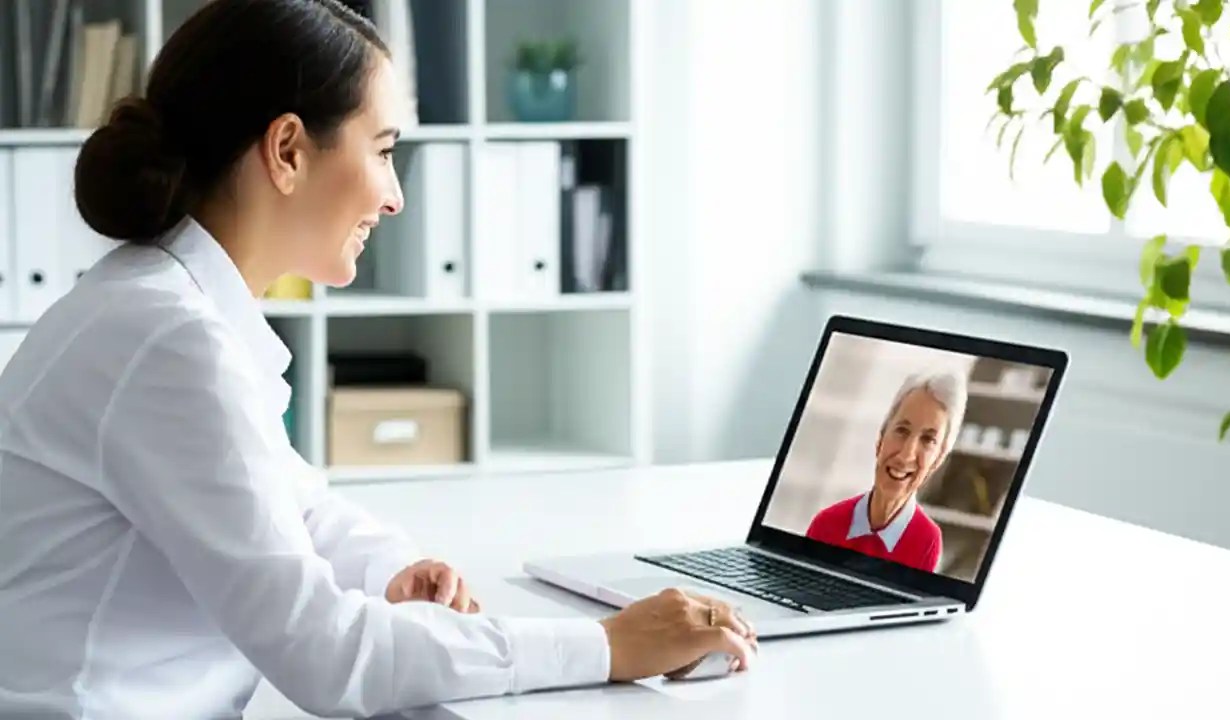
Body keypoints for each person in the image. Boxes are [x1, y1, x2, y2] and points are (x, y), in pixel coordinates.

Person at [0, 1, 755, 717]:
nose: (395, 197)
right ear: (287, 151)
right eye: (385, 151)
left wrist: (392, 569)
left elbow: (292, 505)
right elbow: (326, 655)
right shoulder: (170, 340)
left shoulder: (161, 305)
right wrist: (606, 647)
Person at [804, 371, 968, 573]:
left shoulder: (927, 542)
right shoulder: (826, 523)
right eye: (902, 430)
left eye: (927, 440)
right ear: (880, 439)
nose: (906, 455)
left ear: (938, 460)